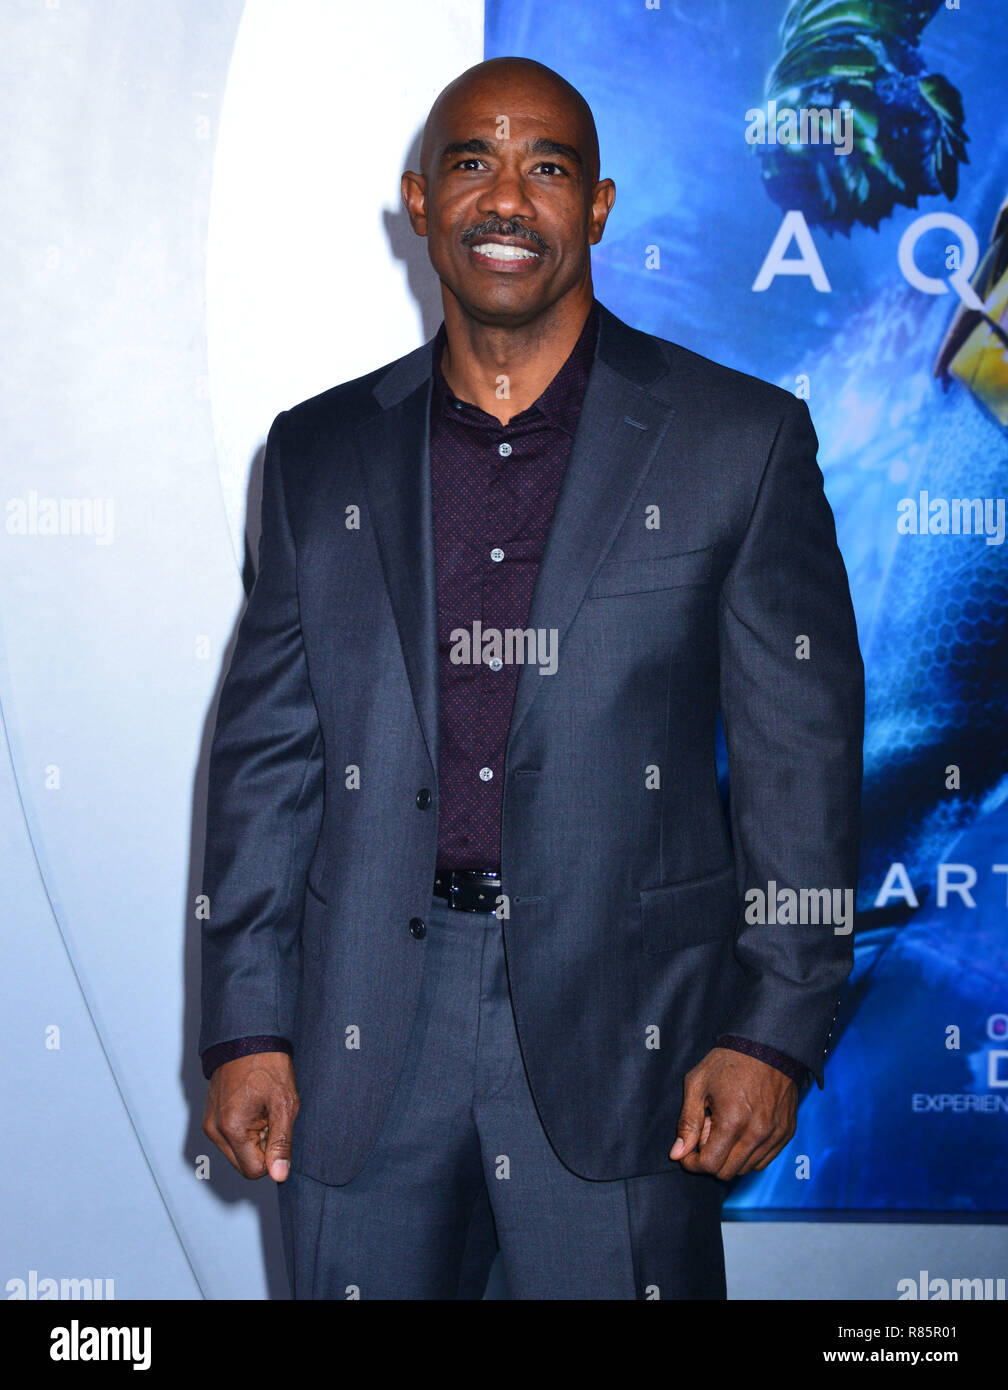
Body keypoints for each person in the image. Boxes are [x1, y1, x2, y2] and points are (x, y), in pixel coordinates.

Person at [199, 55, 864, 1300]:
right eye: (473, 163)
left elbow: (800, 762)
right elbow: (266, 766)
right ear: (419, 199)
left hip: (636, 1038)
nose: (507, 197)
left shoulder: (739, 443)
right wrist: (247, 1024)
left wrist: (773, 1024)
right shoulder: (316, 453)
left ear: (598, 206)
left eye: (546, 166)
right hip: (364, 1034)